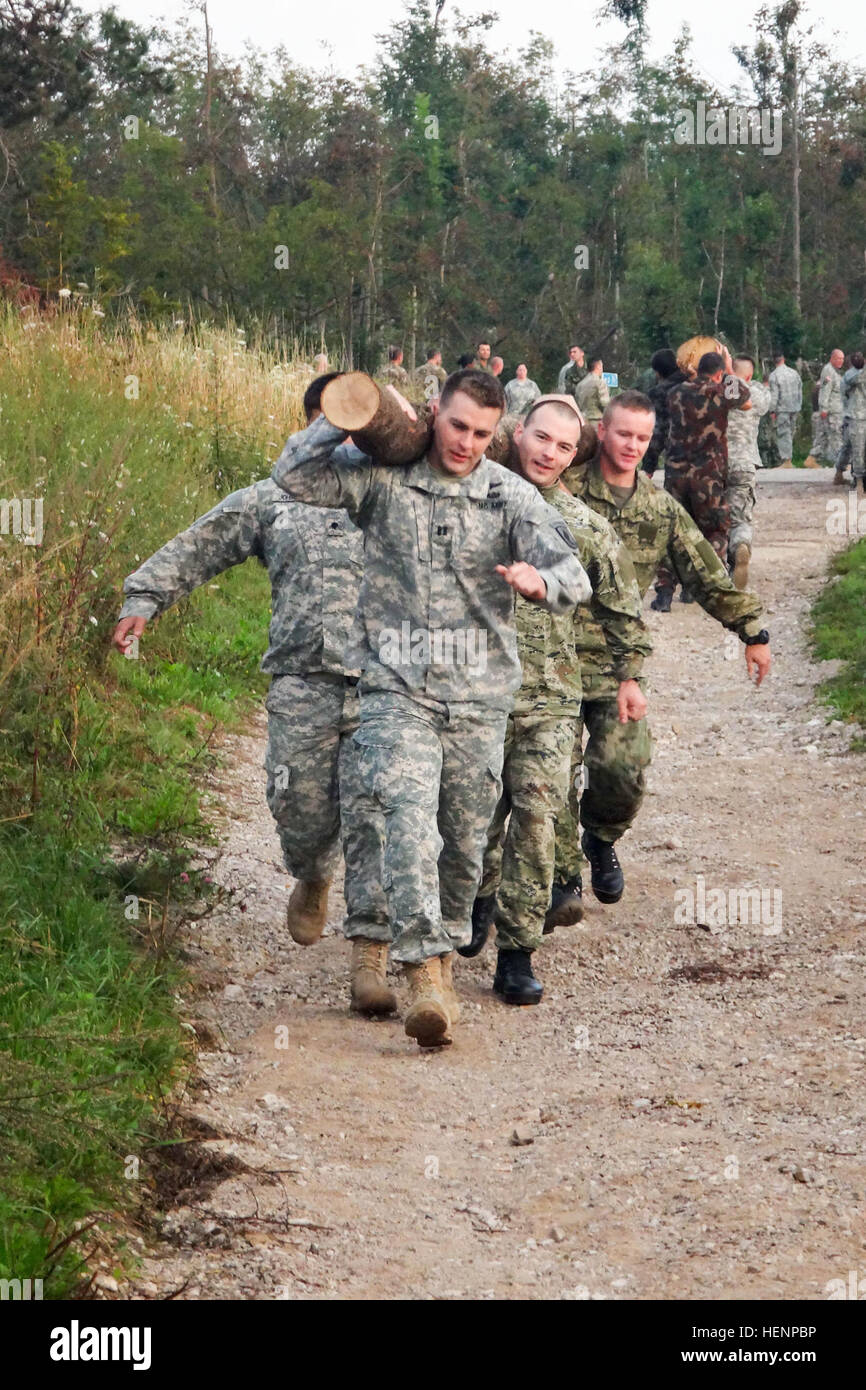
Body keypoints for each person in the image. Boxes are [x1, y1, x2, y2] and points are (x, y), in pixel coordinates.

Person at [271, 369, 592, 1048]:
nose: (466, 444)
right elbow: (294, 475)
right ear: (433, 414)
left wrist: (541, 582)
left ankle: (443, 952)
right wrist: (347, 415)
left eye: (481, 433)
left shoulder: (509, 496)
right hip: (397, 691)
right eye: (456, 427)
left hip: (480, 699)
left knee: (463, 847)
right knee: (406, 818)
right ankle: (422, 974)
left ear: (494, 433)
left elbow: (573, 573)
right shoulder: (382, 477)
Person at [111, 376, 395, 1017]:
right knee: (297, 803)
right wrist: (145, 598)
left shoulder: (393, 496)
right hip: (302, 681)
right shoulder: (274, 499)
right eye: (333, 424)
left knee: (376, 815)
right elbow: (202, 543)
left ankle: (370, 956)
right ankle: (312, 871)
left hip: (384, 685)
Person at [466, 396, 650, 1005]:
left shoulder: (581, 525)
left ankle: (516, 954)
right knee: (473, 819)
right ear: (518, 434)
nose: (549, 453)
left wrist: (628, 677)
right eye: (541, 438)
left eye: (564, 446)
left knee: (538, 820)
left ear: (576, 454)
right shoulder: (472, 503)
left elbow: (622, 607)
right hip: (473, 698)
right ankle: (476, 897)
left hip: (549, 702)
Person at [555, 391, 772, 908]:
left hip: (617, 668)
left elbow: (706, 575)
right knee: (551, 773)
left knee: (623, 771)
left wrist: (752, 632)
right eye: (623, 433)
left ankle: (600, 838)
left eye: (642, 437)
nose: (632, 445)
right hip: (552, 663)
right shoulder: (562, 492)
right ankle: (561, 877)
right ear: (600, 432)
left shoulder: (659, 508)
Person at [651, 347, 751, 611]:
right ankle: (703, 588)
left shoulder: (675, 393)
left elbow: (662, 427)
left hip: (676, 473)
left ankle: (664, 593)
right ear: (718, 374)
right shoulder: (721, 392)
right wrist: (730, 368)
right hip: (709, 475)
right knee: (714, 531)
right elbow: (743, 395)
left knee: (672, 531)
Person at [725, 354, 771, 590]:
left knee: (716, 517)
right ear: (750, 375)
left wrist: (727, 371)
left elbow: (732, 393)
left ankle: (719, 566)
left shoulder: (720, 388)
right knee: (740, 516)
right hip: (745, 462)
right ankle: (741, 545)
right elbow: (762, 403)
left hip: (718, 463)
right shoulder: (758, 394)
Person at [641, 348, 682, 475]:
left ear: (657, 372)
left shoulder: (658, 393)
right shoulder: (698, 385)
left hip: (676, 460)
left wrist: (648, 466)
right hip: (707, 464)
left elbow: (658, 431)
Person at [838, 352, 866, 493]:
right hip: (856, 418)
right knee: (857, 450)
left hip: (860, 417)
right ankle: (859, 481)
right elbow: (855, 380)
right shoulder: (850, 375)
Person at [768, 353, 803, 467]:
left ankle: (786, 460)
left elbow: (774, 395)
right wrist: (799, 405)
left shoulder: (774, 375)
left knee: (783, 433)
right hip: (794, 407)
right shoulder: (794, 373)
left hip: (782, 408)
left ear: (774, 361)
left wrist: (772, 410)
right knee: (790, 432)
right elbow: (800, 390)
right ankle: (788, 458)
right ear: (783, 359)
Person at [816, 349, 845, 480]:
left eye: (842, 359)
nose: (841, 361)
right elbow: (825, 390)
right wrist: (824, 408)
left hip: (838, 411)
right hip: (832, 411)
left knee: (834, 438)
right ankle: (839, 471)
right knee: (836, 440)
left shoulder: (836, 371)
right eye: (838, 358)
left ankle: (839, 468)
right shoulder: (828, 370)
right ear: (832, 358)